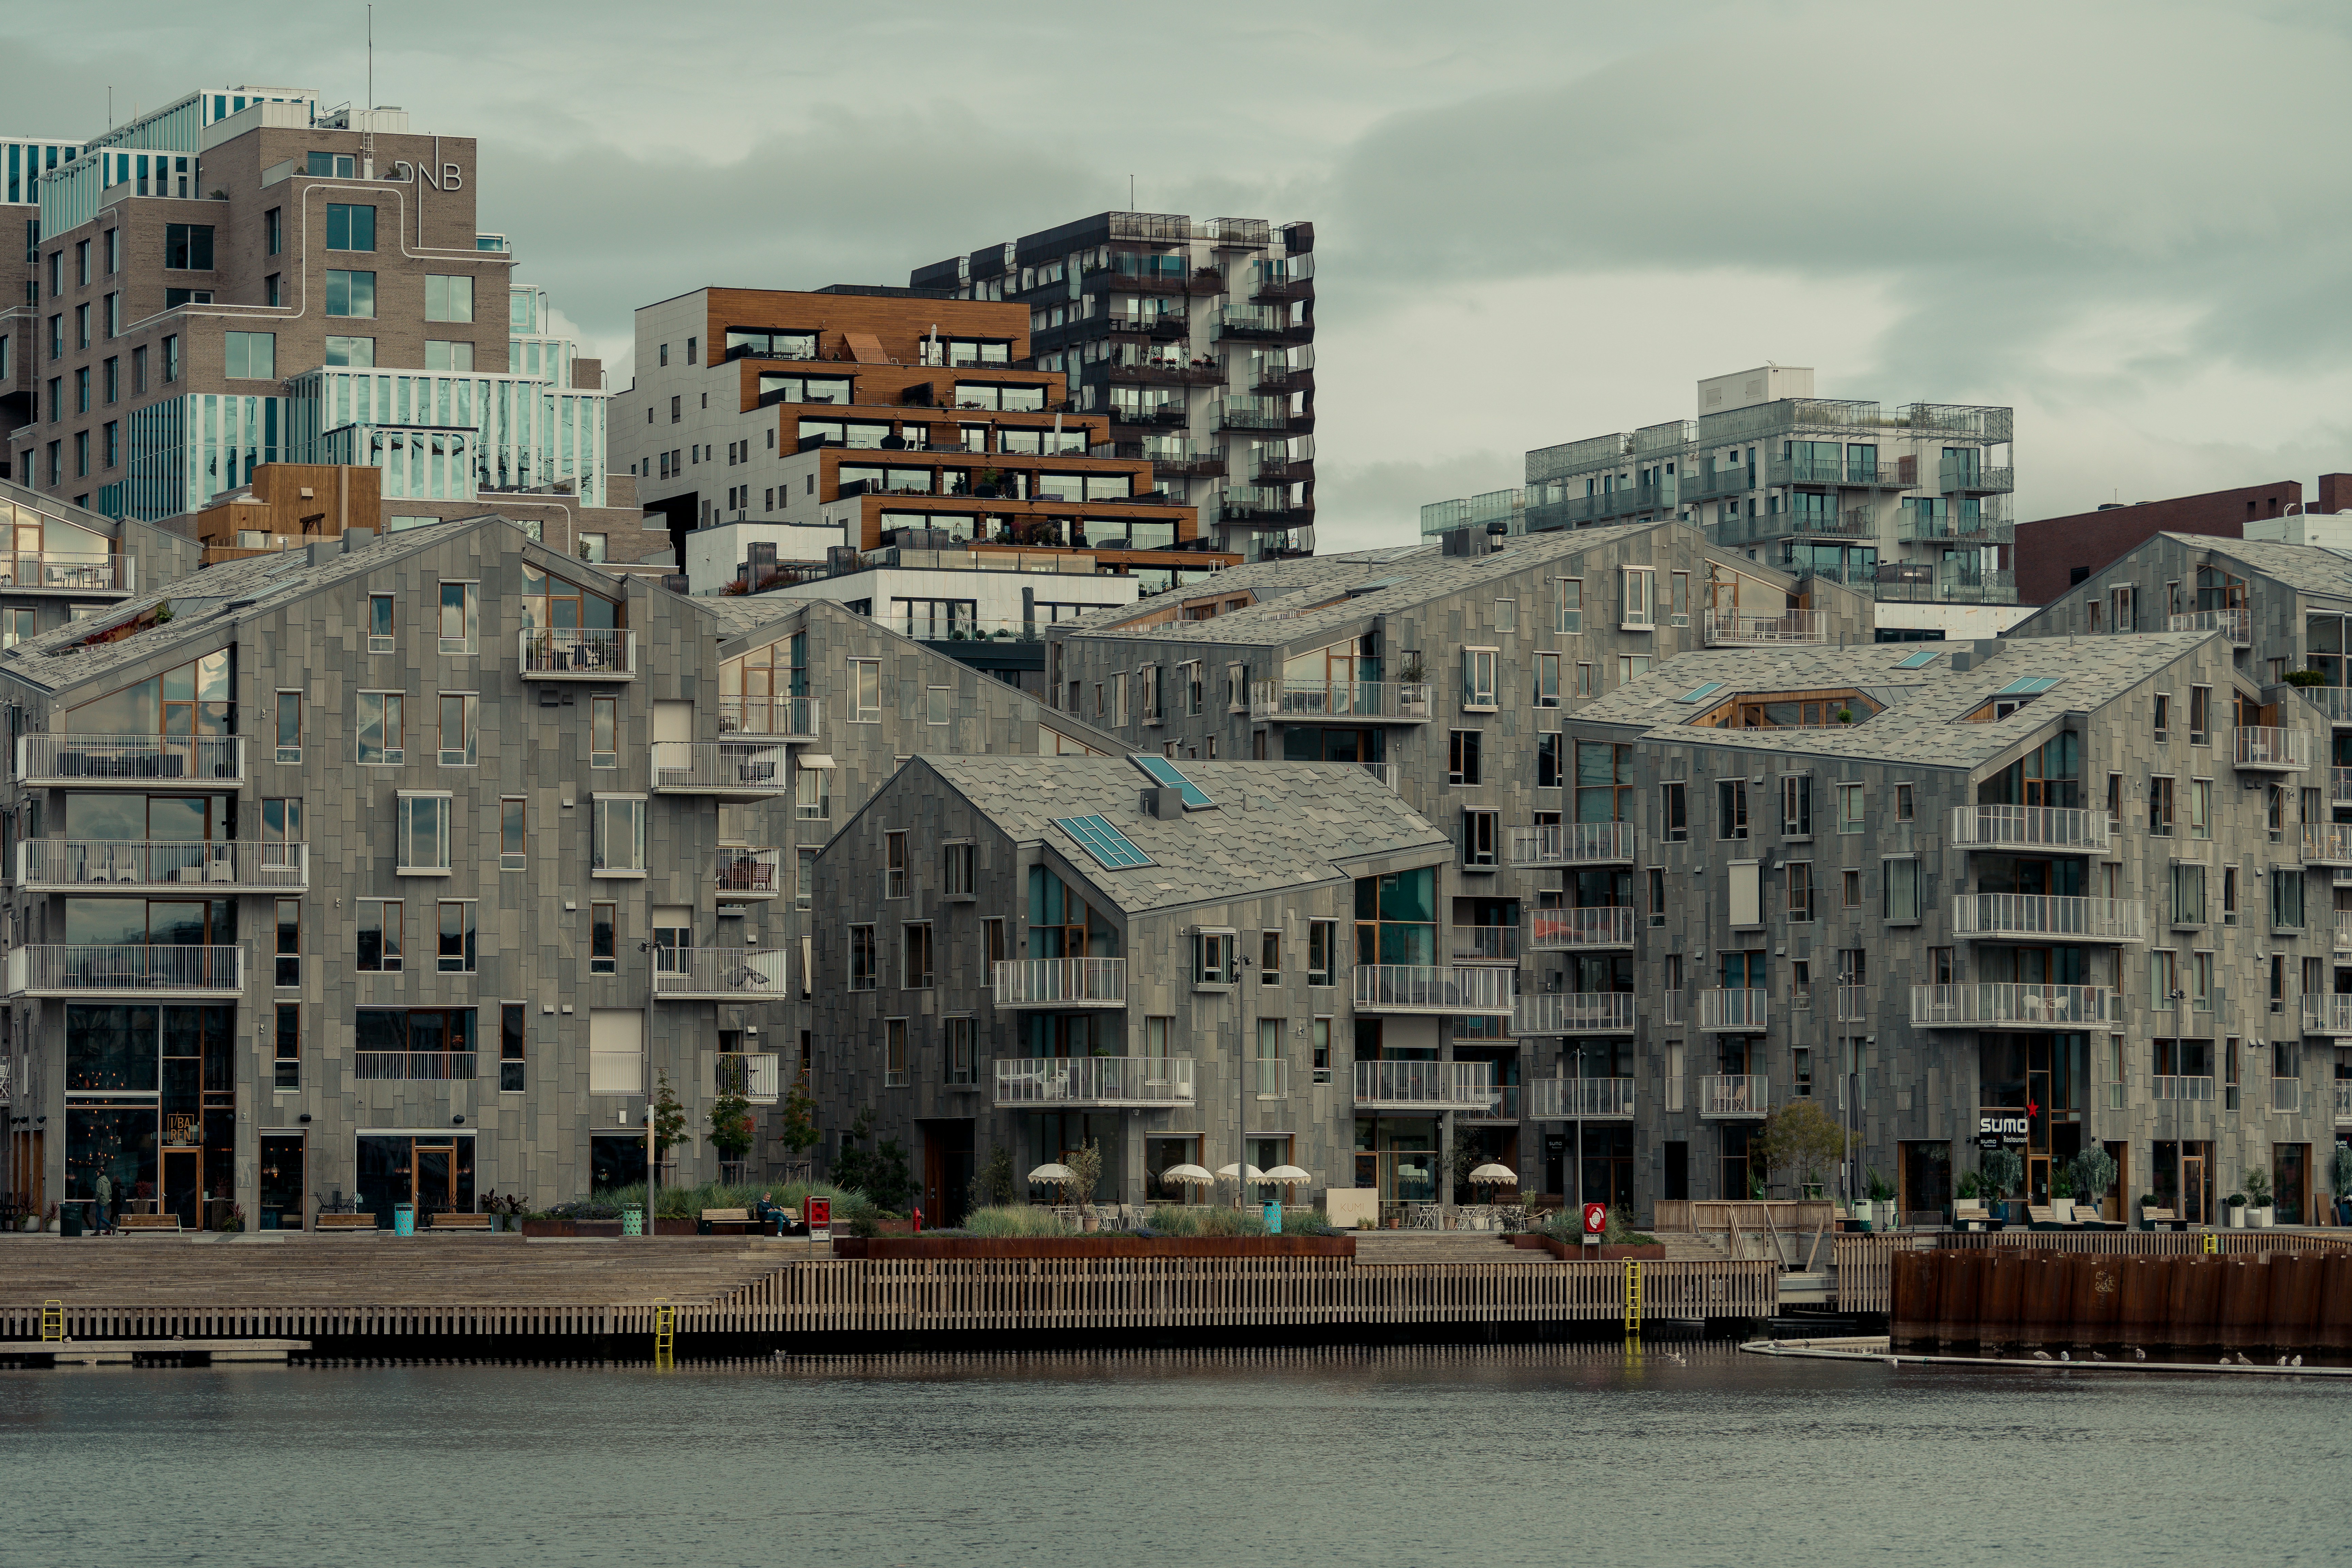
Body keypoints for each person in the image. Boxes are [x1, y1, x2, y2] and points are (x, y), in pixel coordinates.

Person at [93, 1170, 113, 1236]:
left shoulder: (99, 1181)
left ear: (99, 1173)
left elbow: (99, 1192)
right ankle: (98, 1231)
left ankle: (111, 1225)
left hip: (100, 1201)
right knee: (97, 1216)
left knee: (100, 1217)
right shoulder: (108, 1182)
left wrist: (97, 1200)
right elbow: (110, 1192)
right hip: (106, 1201)